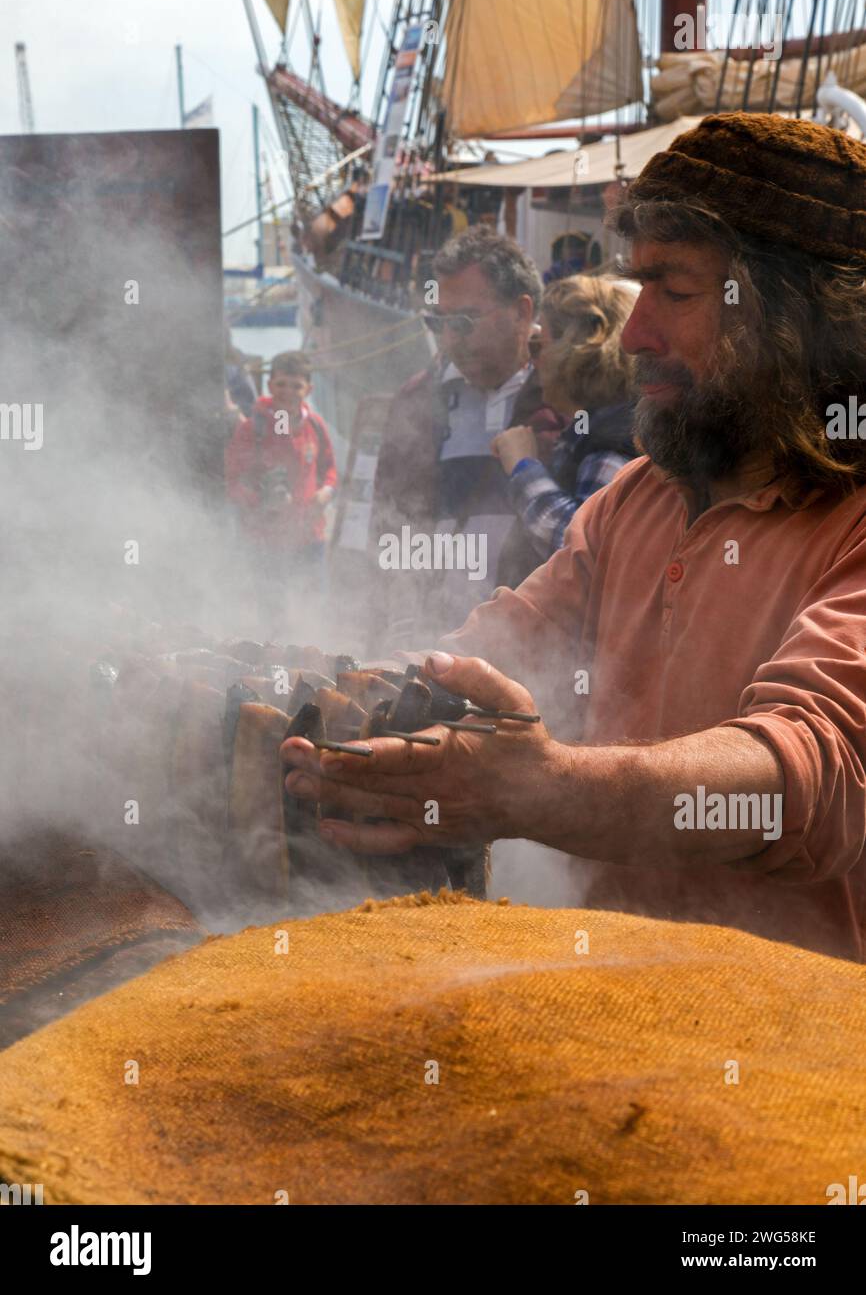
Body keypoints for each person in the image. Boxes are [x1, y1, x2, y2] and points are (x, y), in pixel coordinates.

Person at [284, 111, 866, 962]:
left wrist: (540, 790)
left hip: (801, 1061)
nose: (635, 334)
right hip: (603, 1012)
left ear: (799, 314)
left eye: (674, 291)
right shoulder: (638, 499)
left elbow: (809, 776)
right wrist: (348, 719)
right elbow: (506, 643)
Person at [371, 225, 563, 649]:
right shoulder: (416, 401)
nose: (449, 339)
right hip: (432, 646)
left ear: (522, 311)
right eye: (438, 322)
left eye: (464, 321)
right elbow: (388, 528)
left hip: (536, 654)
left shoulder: (565, 398)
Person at [491, 274, 639, 562]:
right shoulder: (603, 424)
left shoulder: (613, 437)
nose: (533, 360)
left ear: (571, 350)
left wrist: (524, 468)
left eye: (538, 344)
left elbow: (579, 551)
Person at [226, 352, 337, 627]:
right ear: (269, 386)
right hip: (267, 540)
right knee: (273, 613)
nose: (288, 392)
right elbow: (232, 481)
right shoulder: (254, 429)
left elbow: (330, 470)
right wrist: (261, 500)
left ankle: (314, 655)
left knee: (315, 607)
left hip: (309, 537)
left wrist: (326, 493)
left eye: (296, 386)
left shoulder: (315, 426)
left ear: (308, 389)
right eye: (281, 385)